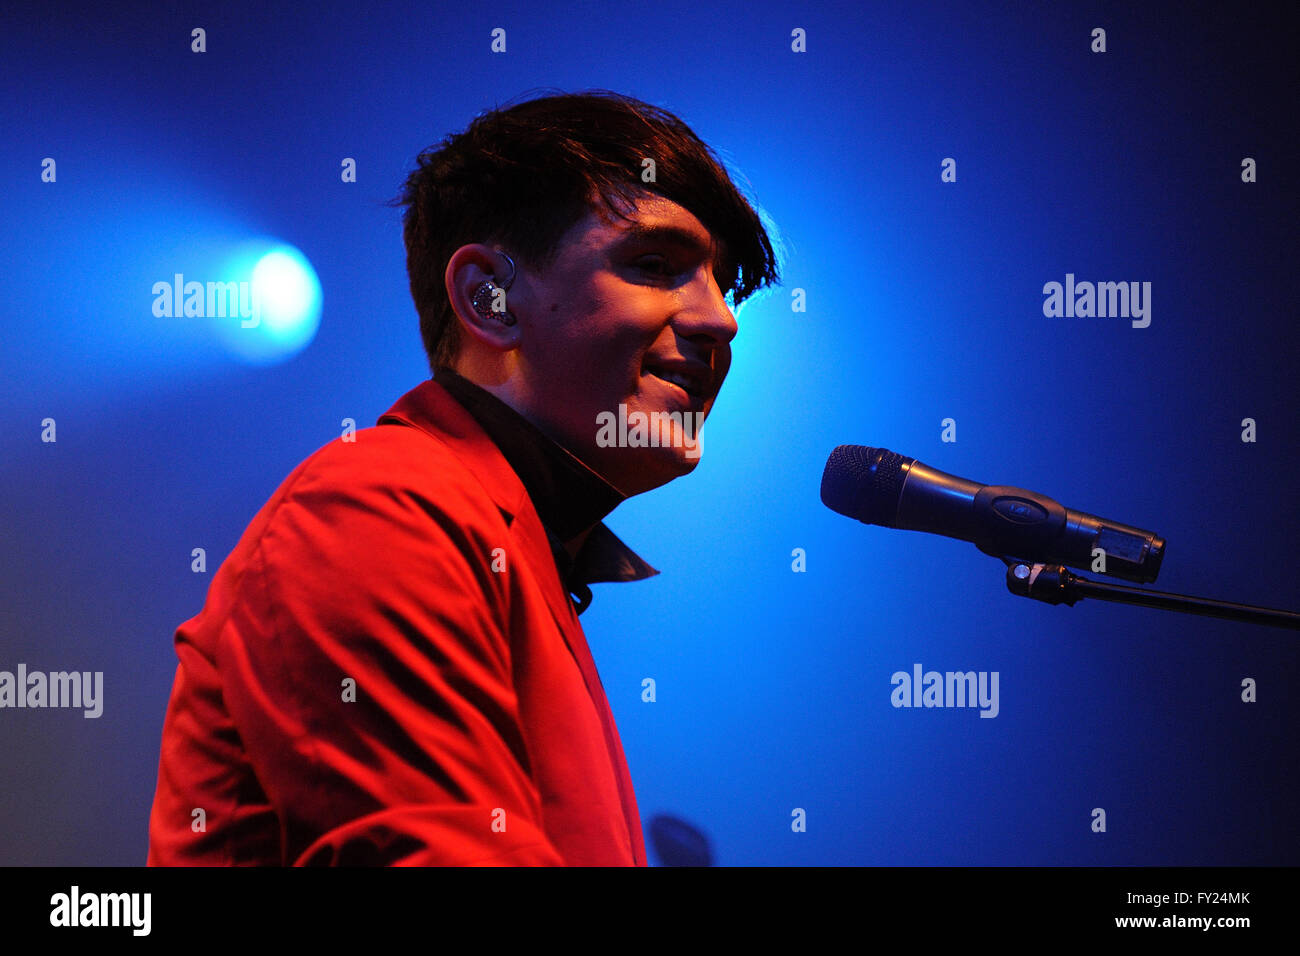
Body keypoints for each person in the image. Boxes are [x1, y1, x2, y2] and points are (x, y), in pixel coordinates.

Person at [146, 89, 780, 866]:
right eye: (654, 265)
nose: (721, 320)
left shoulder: (510, 542)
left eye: (722, 285)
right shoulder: (378, 506)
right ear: (490, 298)